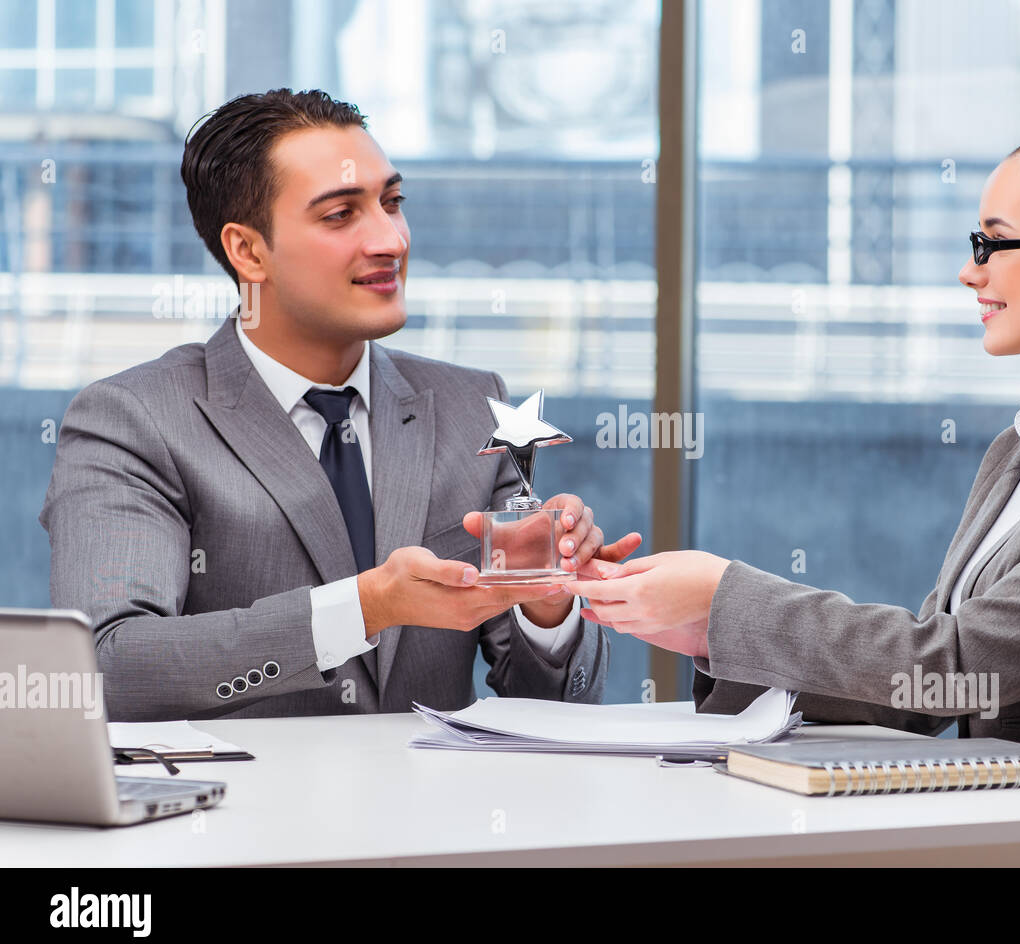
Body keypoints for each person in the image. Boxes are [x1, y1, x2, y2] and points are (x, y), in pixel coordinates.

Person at [565, 121, 1020, 866]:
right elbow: (921, 691)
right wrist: (712, 633)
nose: (970, 272)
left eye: (992, 243)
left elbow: (960, 663)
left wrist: (727, 598)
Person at [39, 88, 638, 722]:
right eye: (340, 215)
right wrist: (366, 606)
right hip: (242, 816)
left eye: (392, 203)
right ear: (248, 251)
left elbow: (553, 705)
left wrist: (544, 603)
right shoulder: (134, 420)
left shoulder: (473, 406)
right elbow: (110, 668)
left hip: (436, 815)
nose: (390, 240)